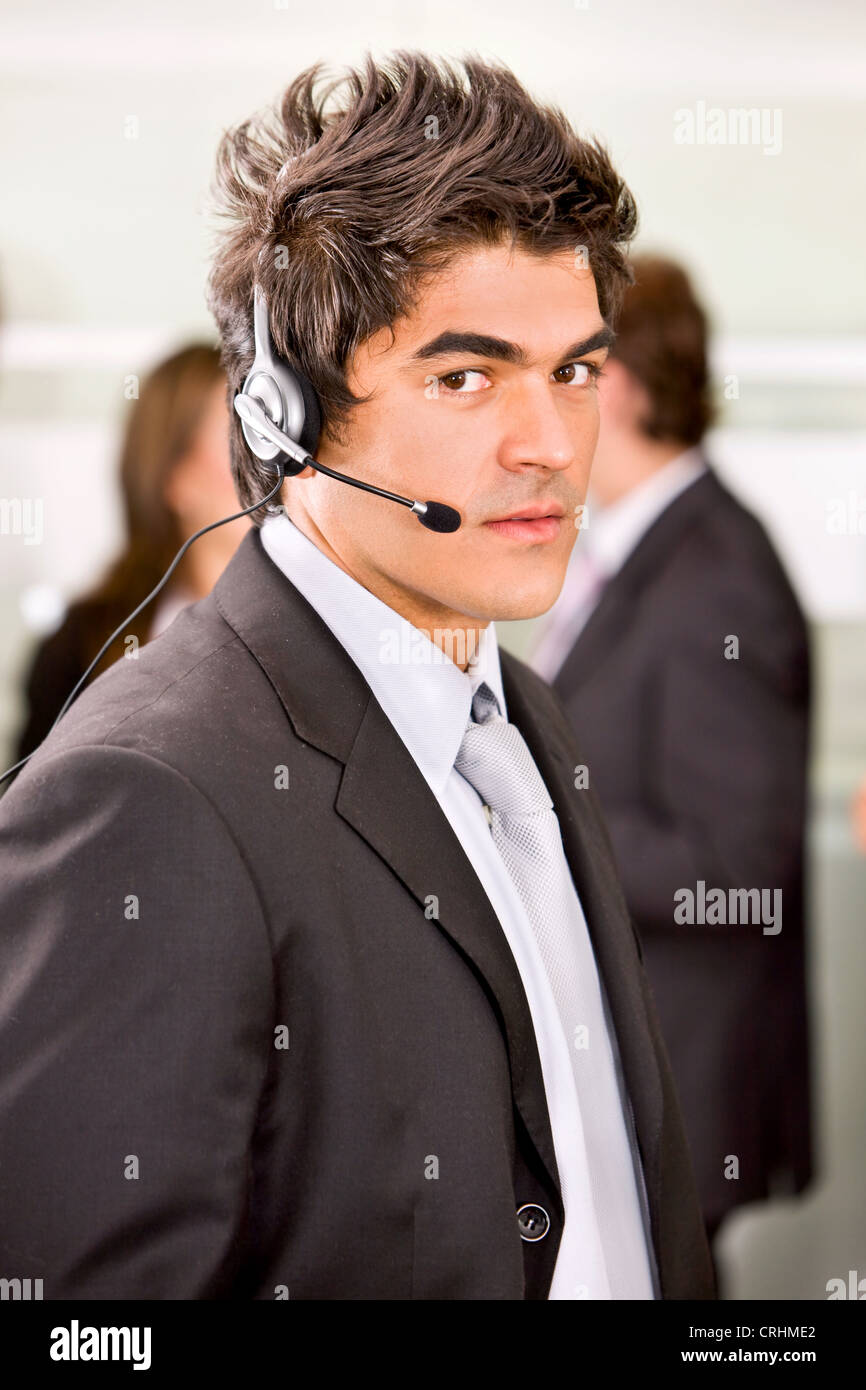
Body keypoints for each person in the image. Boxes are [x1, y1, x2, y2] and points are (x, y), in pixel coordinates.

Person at [0, 53, 714, 1300]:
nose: (549, 444)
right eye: (464, 375)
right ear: (285, 411)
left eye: (574, 371)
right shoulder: (146, 797)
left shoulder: (524, 721)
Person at [529, 254, 814, 1270]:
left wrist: (536, 823)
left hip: (684, 1080)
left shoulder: (712, 575)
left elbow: (735, 867)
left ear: (620, 385)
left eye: (564, 371)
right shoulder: (640, 552)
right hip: (643, 1068)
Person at [14, 344, 248, 762]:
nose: (268, 463)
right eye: (240, 437)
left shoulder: (317, 627)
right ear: (177, 478)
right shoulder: (78, 647)